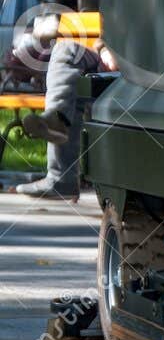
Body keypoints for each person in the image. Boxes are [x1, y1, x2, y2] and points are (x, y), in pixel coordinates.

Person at [11, 14, 114, 200]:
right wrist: (105, 50)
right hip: (110, 67)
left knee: (69, 79)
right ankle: (57, 121)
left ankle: (62, 177)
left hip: (142, 72)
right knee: (66, 53)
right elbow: (111, 35)